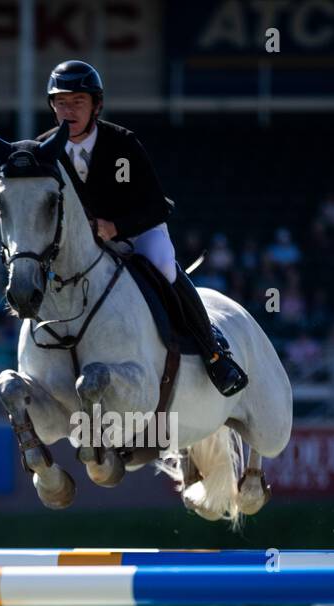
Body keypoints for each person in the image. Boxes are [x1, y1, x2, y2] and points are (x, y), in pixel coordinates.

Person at [37, 60, 248, 397]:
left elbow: (158, 206)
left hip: (137, 232)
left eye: (78, 102)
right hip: (80, 245)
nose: (68, 110)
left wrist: (114, 226)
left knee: (164, 268)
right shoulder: (43, 150)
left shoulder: (123, 144)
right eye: (61, 102)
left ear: (96, 105)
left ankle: (213, 353)